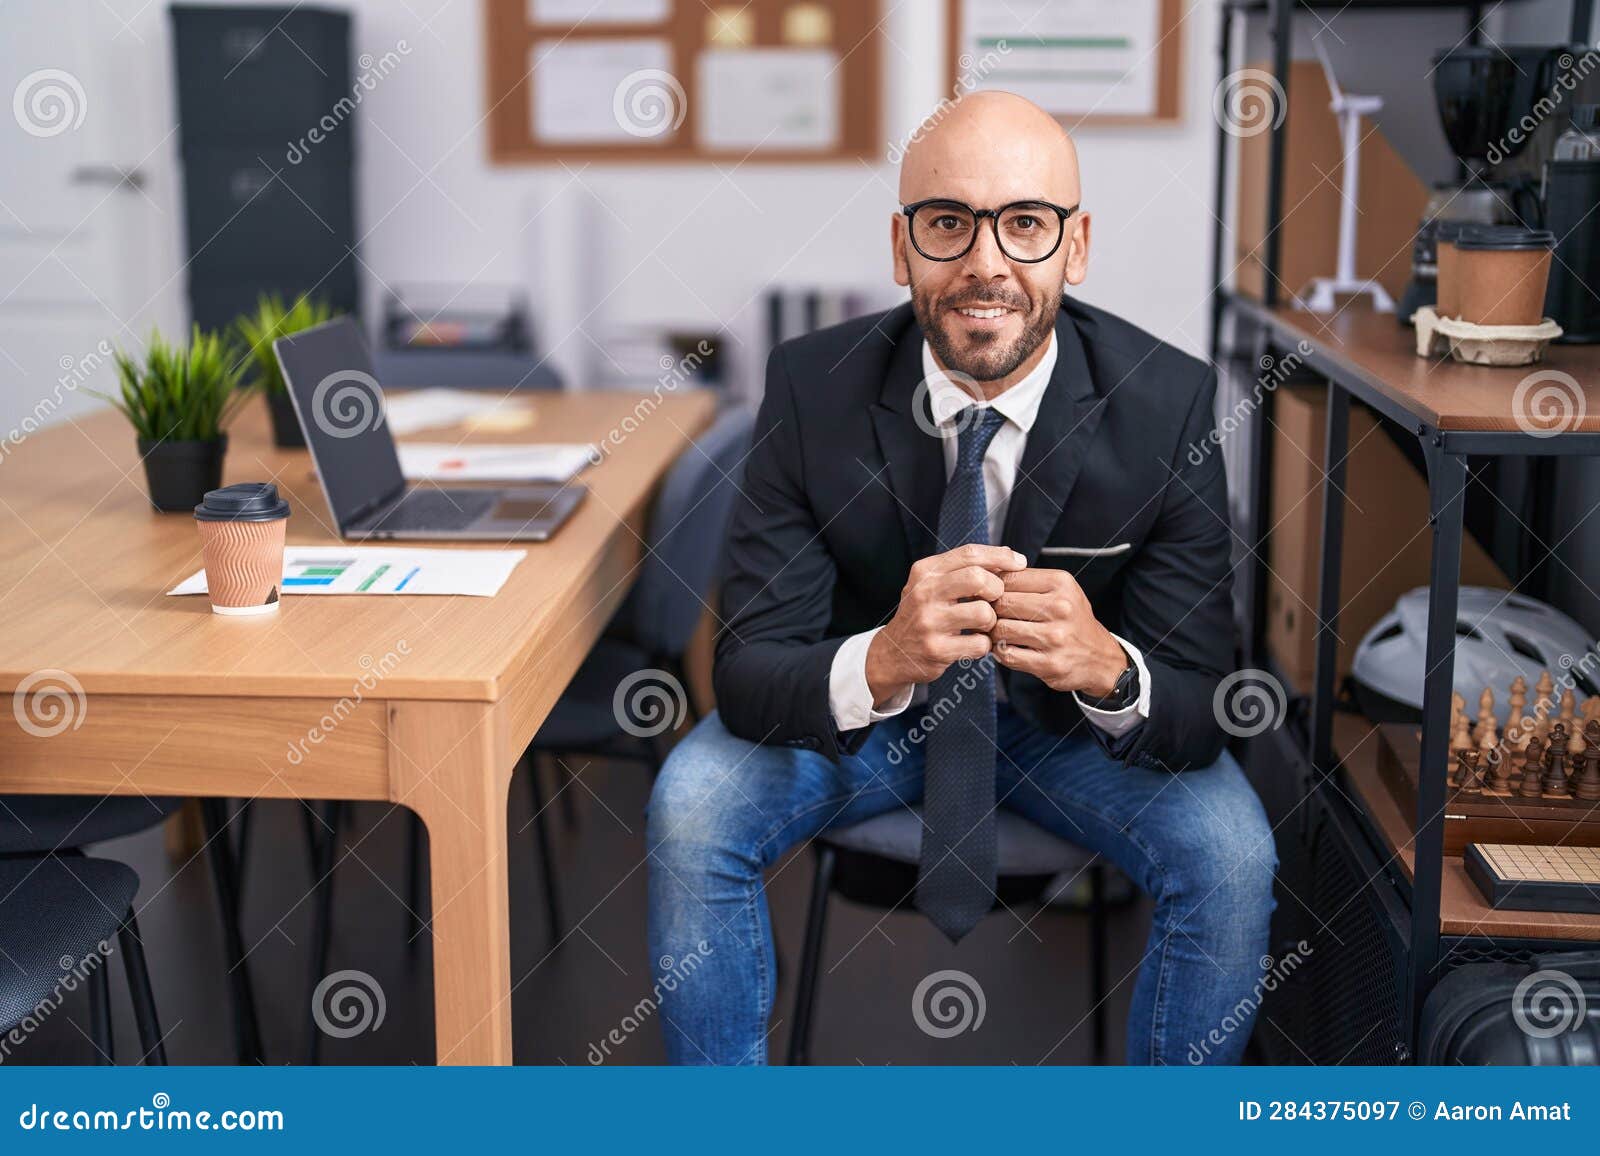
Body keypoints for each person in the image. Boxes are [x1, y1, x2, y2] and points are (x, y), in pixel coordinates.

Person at [646, 91, 1277, 1065]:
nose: (986, 263)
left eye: (1025, 223)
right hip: (874, 731)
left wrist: (1109, 669)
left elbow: (1204, 705)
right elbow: (746, 672)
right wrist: (884, 657)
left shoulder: (1169, 404)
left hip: (1070, 739)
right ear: (903, 249)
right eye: (948, 223)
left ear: (1075, 247)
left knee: (1232, 857)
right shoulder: (813, 388)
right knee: (691, 806)